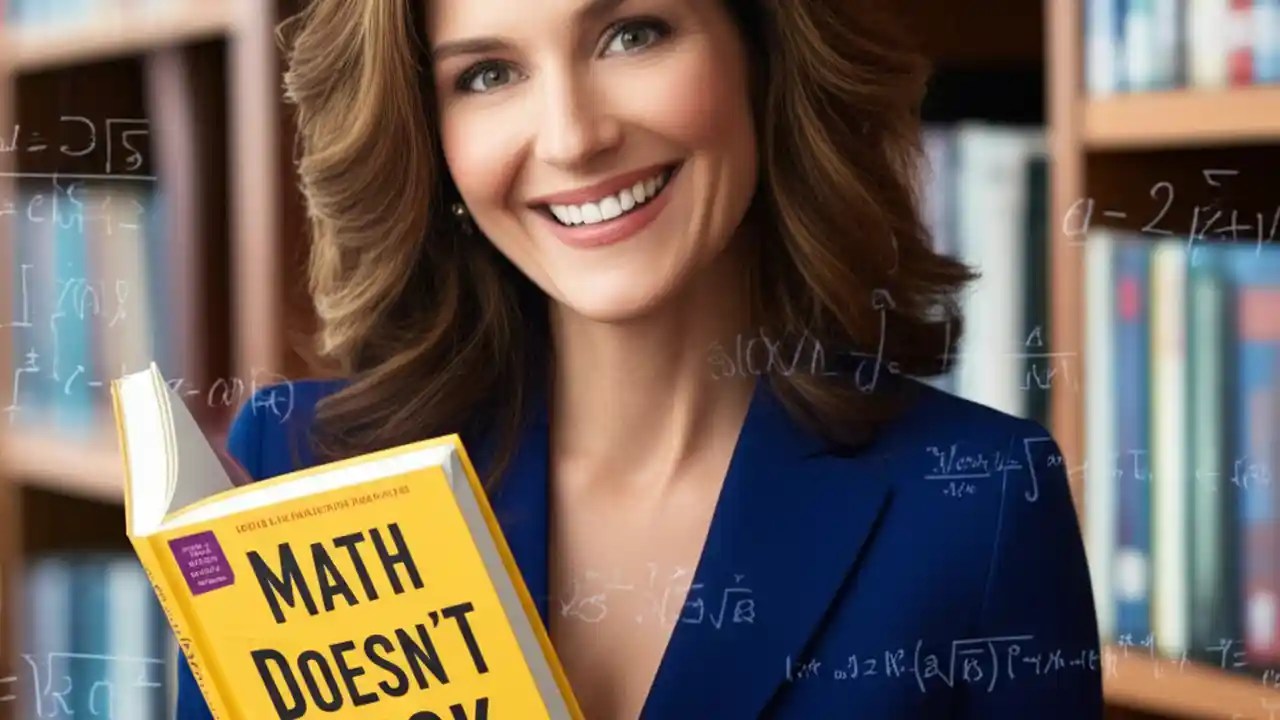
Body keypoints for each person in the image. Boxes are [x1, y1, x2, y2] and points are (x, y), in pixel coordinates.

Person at [176, 0, 1103, 717]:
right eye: (489, 74)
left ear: (763, 54)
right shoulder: (295, 472)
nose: (575, 137)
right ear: (429, 138)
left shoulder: (979, 503)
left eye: (632, 34)